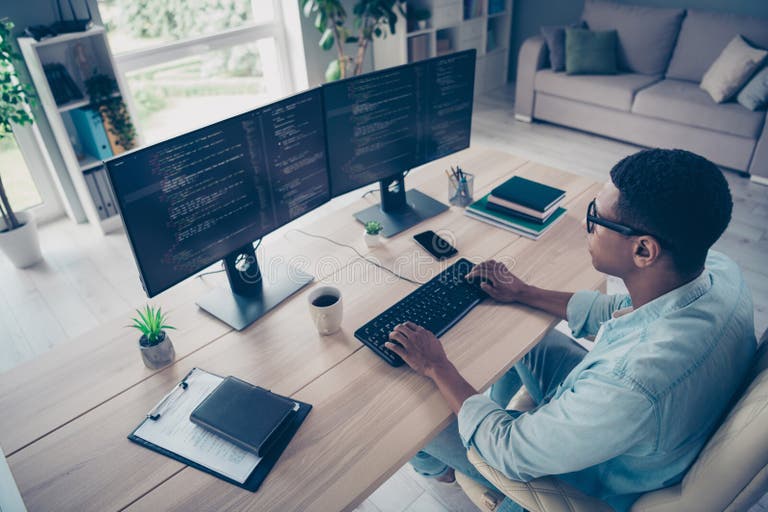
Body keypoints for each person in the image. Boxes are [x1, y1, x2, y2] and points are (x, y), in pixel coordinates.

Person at [385, 148, 757, 512]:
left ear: (644, 251)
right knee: (523, 335)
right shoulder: (721, 274)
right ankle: (478, 419)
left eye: (596, 218)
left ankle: (439, 471)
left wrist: (438, 366)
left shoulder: (629, 385)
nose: (586, 224)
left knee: (411, 416)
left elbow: (509, 449)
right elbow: (625, 311)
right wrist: (524, 292)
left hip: (583, 478)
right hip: (635, 425)